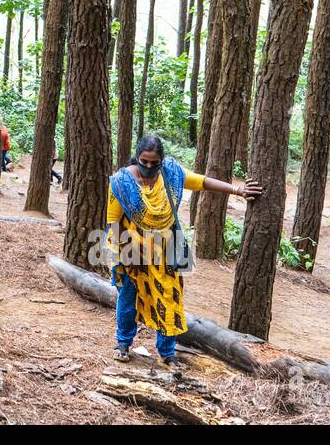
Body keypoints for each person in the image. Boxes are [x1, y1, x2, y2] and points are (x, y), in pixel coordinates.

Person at [108, 134, 262, 369]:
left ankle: (167, 352)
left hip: (166, 250)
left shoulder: (170, 174)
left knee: (170, 299)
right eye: (144, 161)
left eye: (154, 162)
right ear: (137, 157)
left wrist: (238, 190)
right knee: (129, 297)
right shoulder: (121, 182)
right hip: (133, 249)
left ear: (162, 160)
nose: (149, 166)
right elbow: (114, 221)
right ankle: (123, 344)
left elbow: (201, 181)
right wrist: (126, 254)